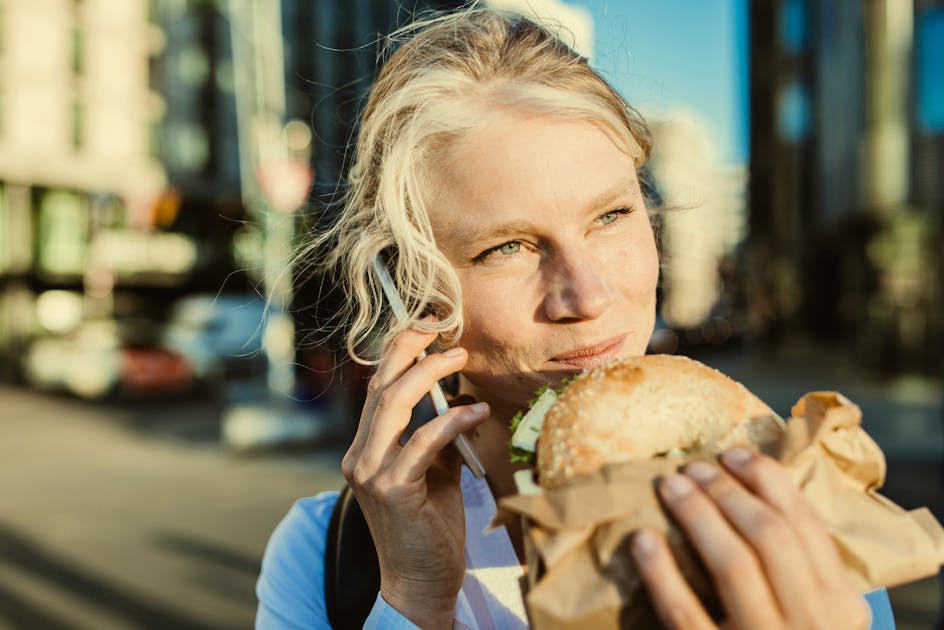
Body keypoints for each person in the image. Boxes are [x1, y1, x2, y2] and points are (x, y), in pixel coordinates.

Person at [256, 6, 888, 629]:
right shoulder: (325, 558)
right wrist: (413, 602)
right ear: (409, 289)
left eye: (611, 216)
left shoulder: (798, 504)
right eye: (507, 247)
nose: (588, 296)